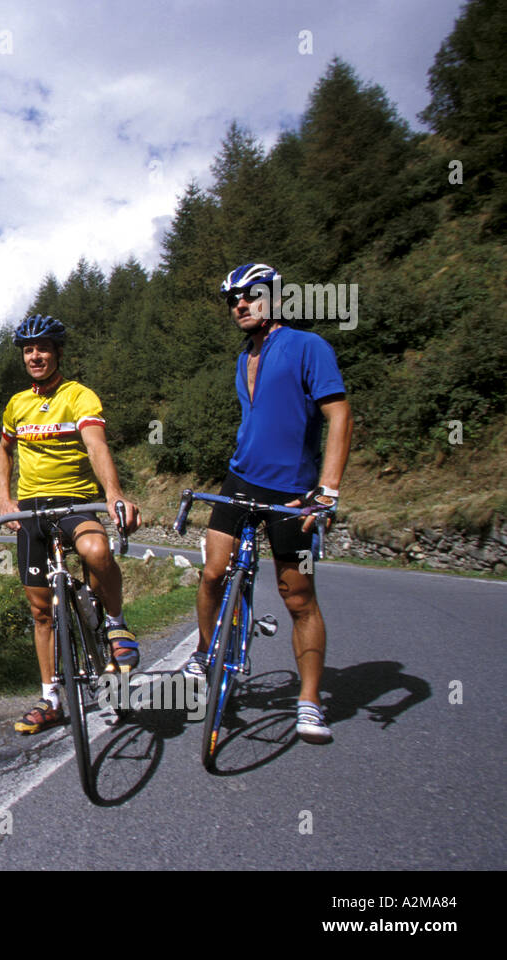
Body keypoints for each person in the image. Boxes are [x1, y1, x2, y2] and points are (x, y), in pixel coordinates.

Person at [181, 263, 353, 744]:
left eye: (250, 295)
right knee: (212, 573)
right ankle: (202, 653)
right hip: (239, 480)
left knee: (298, 598)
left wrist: (328, 489)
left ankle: (309, 702)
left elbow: (338, 416)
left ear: (275, 297)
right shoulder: (243, 358)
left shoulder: (307, 347)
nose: (239, 304)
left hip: (292, 492)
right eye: (232, 299)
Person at [0, 315, 141, 734]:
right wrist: (6, 500)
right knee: (42, 613)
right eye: (28, 349)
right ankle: (51, 699)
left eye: (42, 348)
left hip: (76, 502)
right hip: (31, 513)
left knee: (97, 552)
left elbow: (97, 445)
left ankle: (114, 625)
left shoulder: (79, 396)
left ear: (58, 352)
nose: (35, 356)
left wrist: (113, 493)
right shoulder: (17, 404)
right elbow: (3, 451)